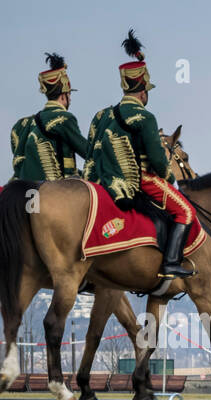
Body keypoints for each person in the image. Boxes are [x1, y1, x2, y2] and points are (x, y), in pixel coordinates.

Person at [85, 31, 195, 280]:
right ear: (143, 91)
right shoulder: (145, 118)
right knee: (186, 212)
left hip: (99, 182)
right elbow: (157, 160)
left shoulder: (102, 116)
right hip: (138, 182)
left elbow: (91, 153)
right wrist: (169, 177)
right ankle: (170, 263)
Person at [10, 52, 90, 181]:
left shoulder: (23, 124)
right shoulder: (65, 118)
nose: (70, 98)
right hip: (57, 188)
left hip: (25, 188)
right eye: (70, 94)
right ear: (64, 94)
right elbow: (88, 153)